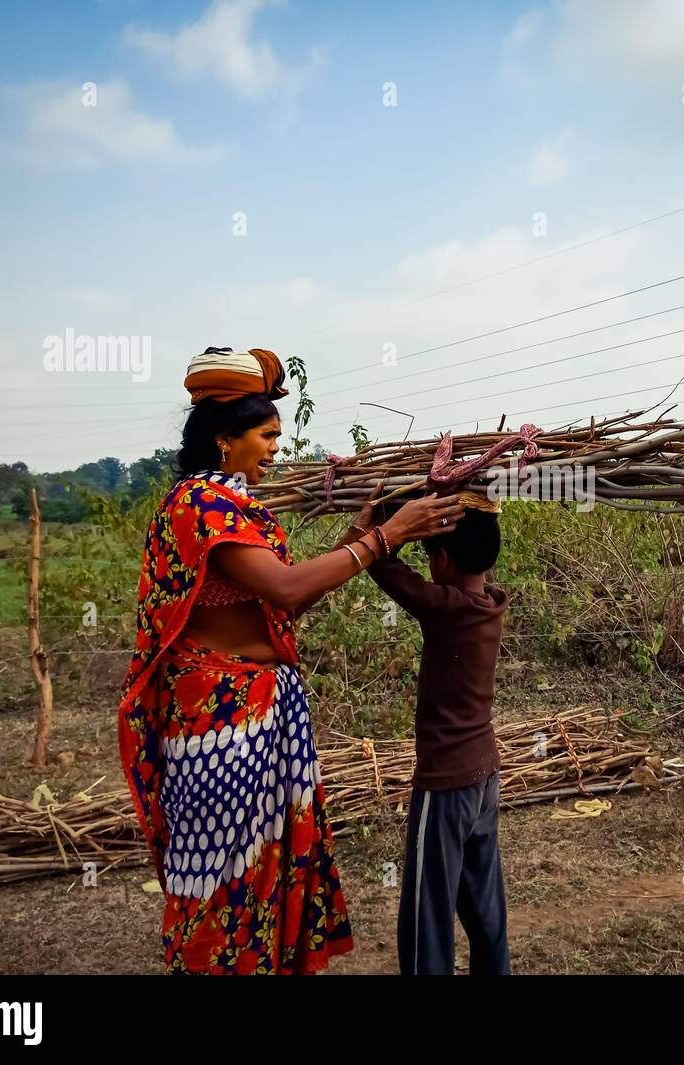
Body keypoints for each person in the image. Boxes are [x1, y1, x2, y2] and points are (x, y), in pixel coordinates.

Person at [118, 346, 464, 974]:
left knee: (264, 872)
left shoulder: (233, 505)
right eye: (267, 434)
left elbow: (277, 604)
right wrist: (387, 537)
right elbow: (286, 589)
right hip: (219, 725)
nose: (277, 448)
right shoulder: (201, 505)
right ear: (225, 439)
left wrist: (359, 540)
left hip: (259, 713)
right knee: (220, 878)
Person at [345, 492, 511, 975]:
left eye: (430, 555)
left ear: (440, 560)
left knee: (427, 909)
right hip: (483, 775)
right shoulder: (491, 602)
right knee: (483, 899)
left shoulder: (446, 608)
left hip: (446, 782)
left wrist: (376, 525)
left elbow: (383, 568)